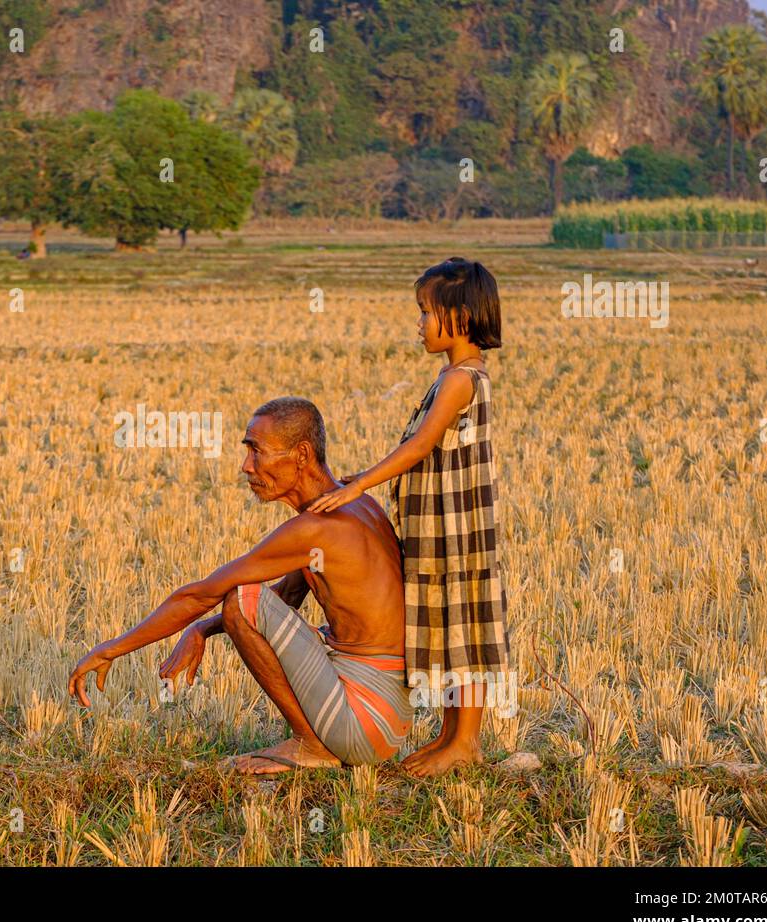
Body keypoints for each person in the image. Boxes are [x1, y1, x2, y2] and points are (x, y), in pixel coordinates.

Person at [68, 398, 414, 775]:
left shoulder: (318, 529)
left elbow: (203, 594)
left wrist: (111, 650)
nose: (246, 466)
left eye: (256, 451)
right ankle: (318, 739)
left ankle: (311, 744)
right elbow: (285, 599)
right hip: (389, 718)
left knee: (239, 597)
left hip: (363, 718)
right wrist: (203, 628)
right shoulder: (351, 505)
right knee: (246, 602)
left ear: (301, 454)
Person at [307, 257, 508, 778]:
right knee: (444, 630)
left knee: (465, 632)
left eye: (425, 312)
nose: (418, 324)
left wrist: (360, 483)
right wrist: (361, 480)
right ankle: (450, 735)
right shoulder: (450, 376)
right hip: (435, 531)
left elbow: (421, 446)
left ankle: (465, 742)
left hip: (458, 532)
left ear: (459, 318)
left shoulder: (462, 380)